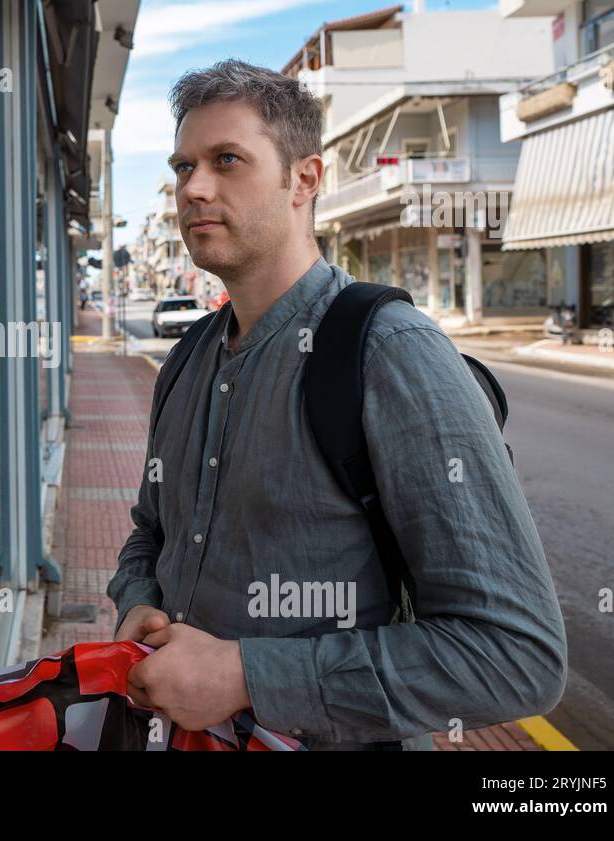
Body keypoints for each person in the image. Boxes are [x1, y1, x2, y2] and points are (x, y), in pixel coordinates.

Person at [107, 60, 567, 750]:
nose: (194, 188)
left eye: (226, 160)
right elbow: (151, 527)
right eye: (182, 167)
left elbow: (515, 654)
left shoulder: (390, 351)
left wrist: (246, 673)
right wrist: (137, 597)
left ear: (306, 179)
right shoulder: (185, 360)